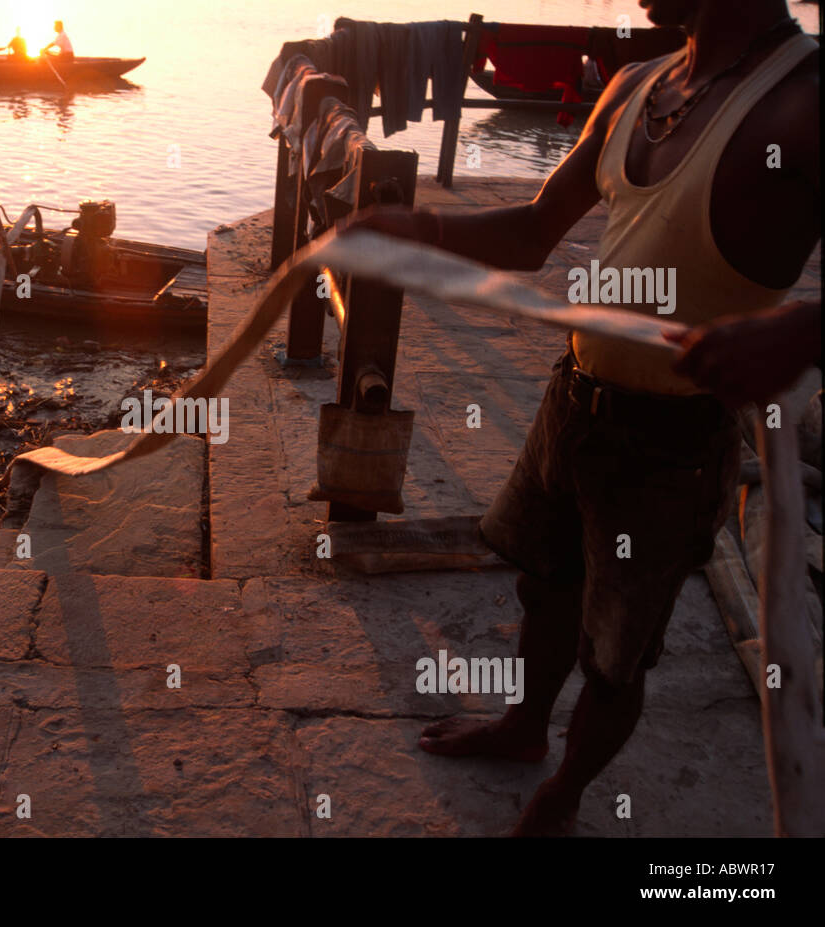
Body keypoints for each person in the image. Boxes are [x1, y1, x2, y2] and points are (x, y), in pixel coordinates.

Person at [344, 0, 818, 835]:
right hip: (577, 399)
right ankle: (526, 727)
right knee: (545, 585)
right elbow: (532, 231)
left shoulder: (805, 99)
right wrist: (412, 230)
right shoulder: (638, 82)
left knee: (614, 655)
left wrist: (798, 331)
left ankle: (563, 794)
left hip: (675, 444)